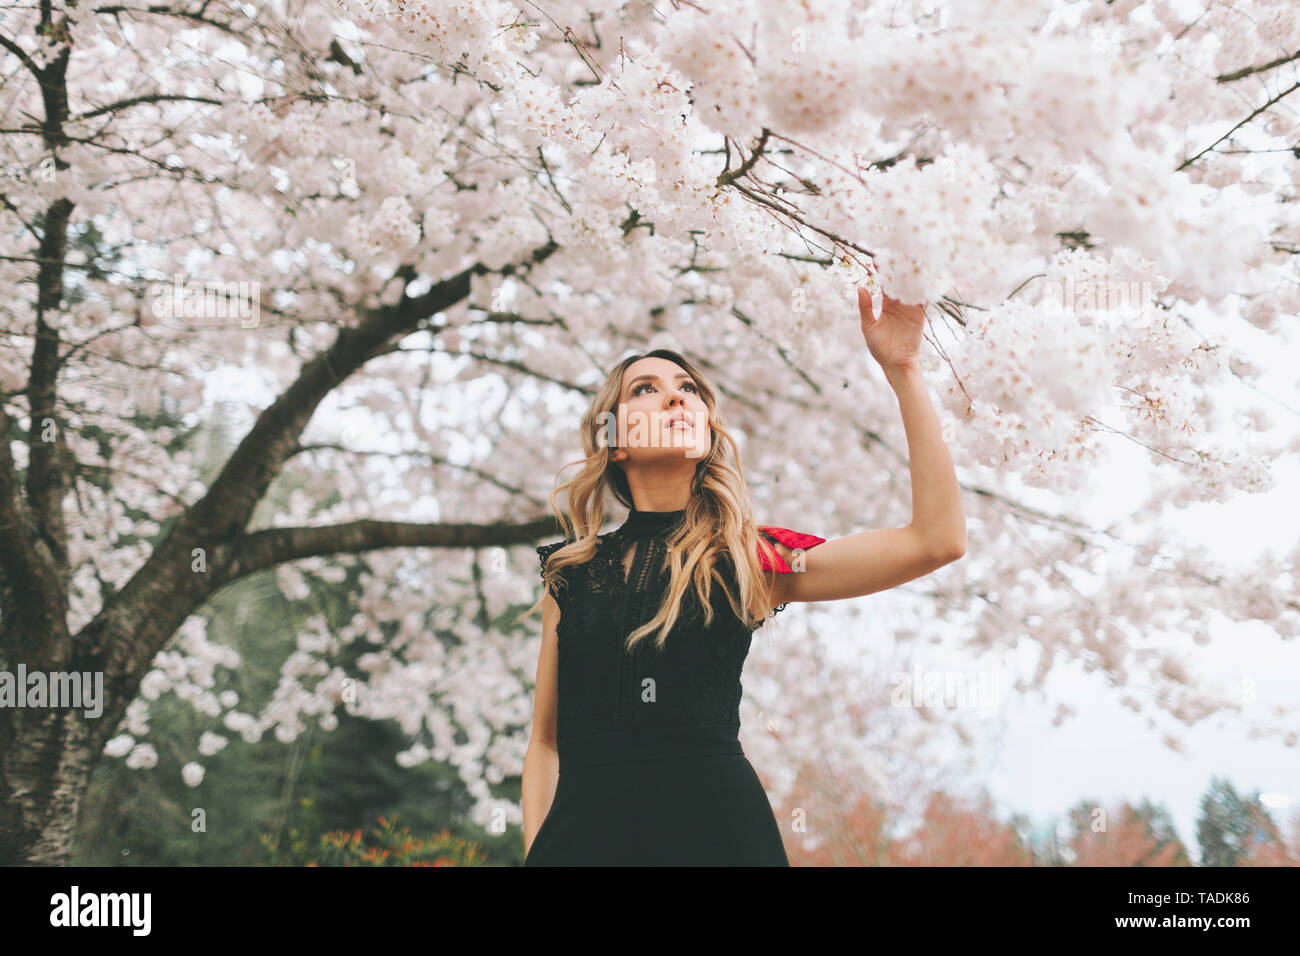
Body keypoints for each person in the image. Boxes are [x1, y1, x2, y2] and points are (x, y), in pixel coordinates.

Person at [518, 286, 966, 865]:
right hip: (582, 840)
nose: (675, 400)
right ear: (615, 440)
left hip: (719, 834)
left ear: (707, 430)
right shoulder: (571, 571)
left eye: (688, 391)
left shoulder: (752, 559)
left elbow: (936, 541)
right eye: (645, 390)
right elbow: (545, 743)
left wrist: (904, 371)